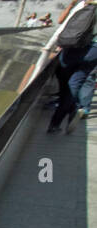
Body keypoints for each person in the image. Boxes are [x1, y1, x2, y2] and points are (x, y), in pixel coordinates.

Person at [48, 0, 97, 132]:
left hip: (75, 46)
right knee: (76, 82)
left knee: (67, 83)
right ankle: (65, 116)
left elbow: (64, 24)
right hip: (94, 51)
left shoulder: (87, 6)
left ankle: (61, 118)